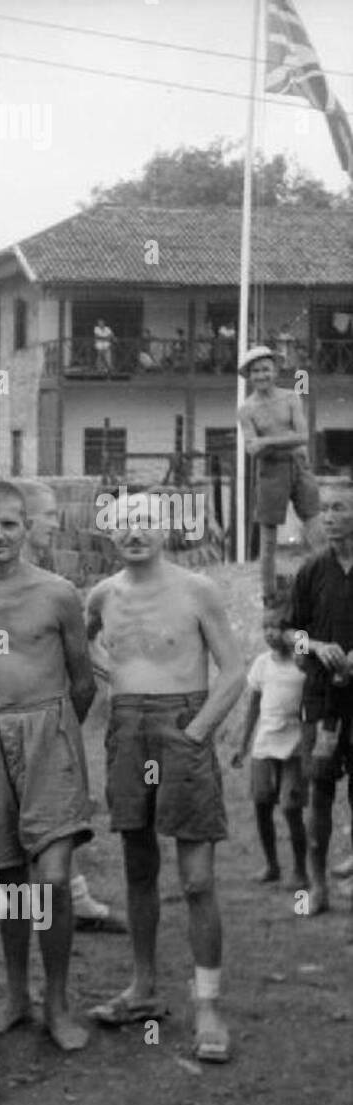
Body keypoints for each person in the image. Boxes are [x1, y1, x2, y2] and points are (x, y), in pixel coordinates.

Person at [85, 488, 245, 1061]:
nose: (135, 532)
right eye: (124, 523)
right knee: (138, 865)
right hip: (128, 729)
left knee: (197, 878)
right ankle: (144, 987)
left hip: (184, 724)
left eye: (146, 521)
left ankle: (208, 1006)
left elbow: (233, 671)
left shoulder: (196, 590)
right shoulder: (102, 594)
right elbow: (80, 647)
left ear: (167, 528)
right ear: (110, 533)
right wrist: (107, 675)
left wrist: (197, 731)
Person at [0, 480, 96, 1052]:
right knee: (7, 877)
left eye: (10, 524)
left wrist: (51, 730)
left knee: (52, 876)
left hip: (51, 733)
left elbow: (83, 682)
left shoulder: (58, 593)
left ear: (26, 528)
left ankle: (57, 1002)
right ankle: (16, 994)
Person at [17, 479, 120, 932]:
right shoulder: (9, 584)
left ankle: (69, 900)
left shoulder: (53, 582)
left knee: (59, 810)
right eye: (49, 514)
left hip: (53, 715)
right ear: (24, 520)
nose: (57, 523)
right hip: (15, 715)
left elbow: (79, 655)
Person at [280, 479, 353, 913]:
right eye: (324, 509)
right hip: (321, 700)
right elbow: (290, 634)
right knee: (318, 791)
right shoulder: (311, 569)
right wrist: (316, 647)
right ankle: (316, 884)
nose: (328, 517)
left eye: (339, 508)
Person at [231, 605, 308, 890]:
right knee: (262, 805)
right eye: (265, 627)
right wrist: (243, 745)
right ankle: (272, 865)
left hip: (295, 747)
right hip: (264, 745)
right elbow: (253, 706)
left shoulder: (303, 665)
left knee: (291, 808)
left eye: (276, 627)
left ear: (289, 631)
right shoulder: (262, 664)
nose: (270, 633)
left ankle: (301, 870)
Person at [238, 345, 322, 603]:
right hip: (271, 473)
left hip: (299, 466)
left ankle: (331, 583)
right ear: (249, 376)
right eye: (256, 371)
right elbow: (252, 449)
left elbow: (302, 436)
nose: (262, 375)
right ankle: (269, 594)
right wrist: (281, 440)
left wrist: (267, 442)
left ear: (275, 371)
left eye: (266, 369)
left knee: (315, 527)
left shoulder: (291, 397)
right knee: (268, 540)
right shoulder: (247, 409)